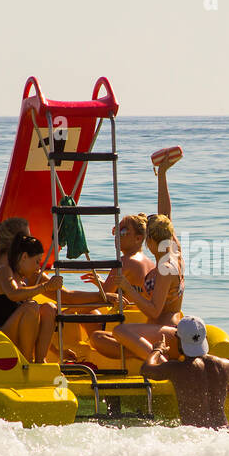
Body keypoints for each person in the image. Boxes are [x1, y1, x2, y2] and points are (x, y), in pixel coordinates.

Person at [98, 152, 185, 361]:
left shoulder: (166, 266)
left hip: (168, 332)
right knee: (99, 337)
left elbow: (154, 311)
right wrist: (162, 174)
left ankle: (161, 364)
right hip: (156, 331)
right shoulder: (174, 250)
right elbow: (165, 212)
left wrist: (128, 288)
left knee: (120, 331)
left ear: (150, 241)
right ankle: (141, 353)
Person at [141, 317, 229, 428]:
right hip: (223, 430)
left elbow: (146, 370)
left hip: (195, 434)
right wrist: (224, 385)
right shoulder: (225, 365)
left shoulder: (176, 369)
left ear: (179, 339)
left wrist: (157, 350)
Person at [0, 233, 64, 363]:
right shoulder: (4, 271)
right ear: (24, 257)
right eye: (37, 262)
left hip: (14, 334)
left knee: (49, 308)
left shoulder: (23, 282)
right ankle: (27, 361)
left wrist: (59, 352)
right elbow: (14, 294)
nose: (38, 267)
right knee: (31, 307)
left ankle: (40, 360)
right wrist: (45, 286)